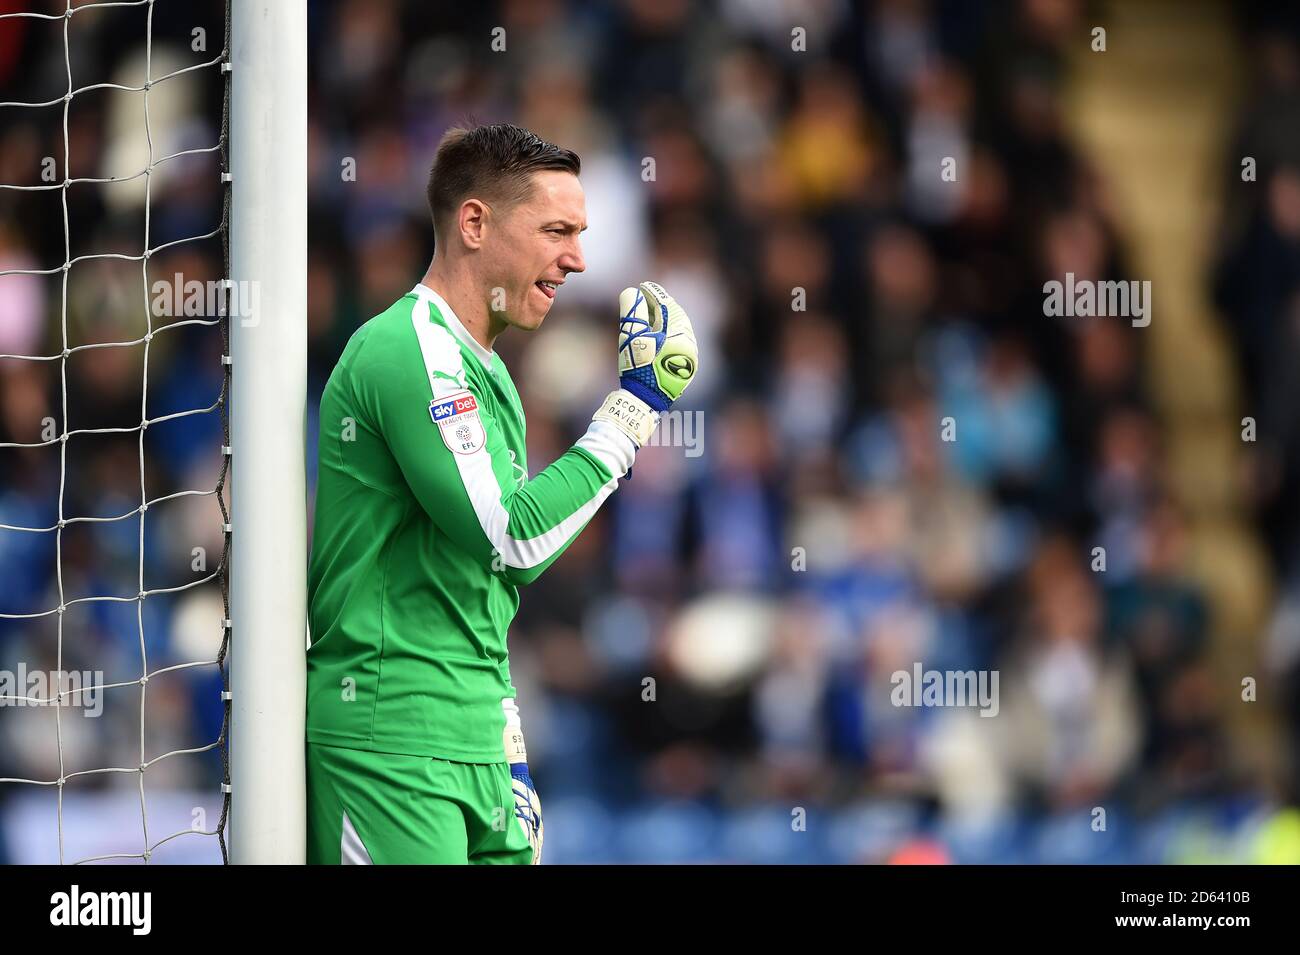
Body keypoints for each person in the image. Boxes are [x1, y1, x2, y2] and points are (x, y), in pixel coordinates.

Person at [303, 122, 698, 864]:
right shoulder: (405, 350)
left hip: (474, 732)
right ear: (475, 222)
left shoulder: (491, 375)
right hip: (391, 739)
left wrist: (503, 736)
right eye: (556, 230)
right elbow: (511, 537)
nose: (578, 259)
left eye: (580, 234)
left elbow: (484, 582)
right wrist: (632, 410)